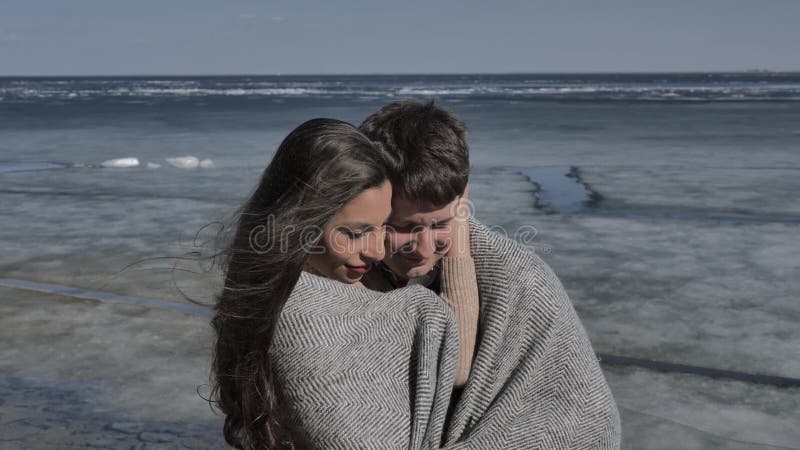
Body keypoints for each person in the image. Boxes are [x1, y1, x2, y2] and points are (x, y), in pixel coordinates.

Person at [359, 101, 622, 448]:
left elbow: (584, 417)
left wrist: (457, 237)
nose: (423, 248)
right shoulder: (336, 264)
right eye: (404, 227)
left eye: (440, 224)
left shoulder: (518, 276)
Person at [210, 118, 464, 449]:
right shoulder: (299, 317)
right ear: (299, 222)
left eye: (383, 226)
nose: (376, 251)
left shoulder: (267, 292)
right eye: (355, 233)